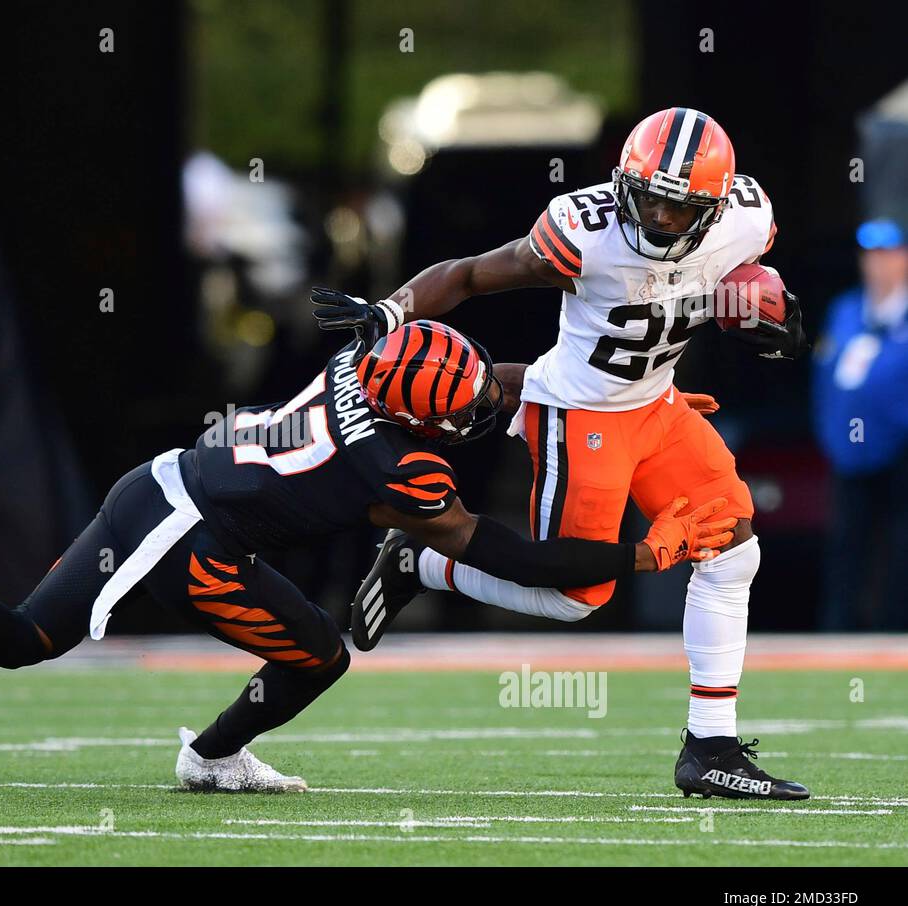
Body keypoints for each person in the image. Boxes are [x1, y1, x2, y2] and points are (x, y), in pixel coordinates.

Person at [0, 320, 732, 793]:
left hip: (169, 483)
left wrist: (623, 404)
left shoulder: (360, 361)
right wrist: (647, 554)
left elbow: (461, 371)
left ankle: (209, 756)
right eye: (453, 417)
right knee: (27, 639)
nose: (472, 421)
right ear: (418, 417)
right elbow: (517, 557)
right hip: (187, 537)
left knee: (318, 649)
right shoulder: (402, 466)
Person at [318, 108, 810, 800]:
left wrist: (775, 319)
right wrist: (390, 311)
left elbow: (766, 299)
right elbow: (464, 275)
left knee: (733, 545)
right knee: (579, 598)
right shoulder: (583, 235)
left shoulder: (744, 220)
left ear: (715, 206)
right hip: (581, 415)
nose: (661, 219)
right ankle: (423, 562)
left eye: (680, 207)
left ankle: (711, 745)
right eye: (650, 200)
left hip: (659, 405)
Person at [812, 219, 908, 631]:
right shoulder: (846, 310)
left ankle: (894, 629)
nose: (879, 265)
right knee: (847, 544)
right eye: (871, 256)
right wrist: (831, 434)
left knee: (900, 547)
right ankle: (840, 631)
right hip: (850, 454)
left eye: (888, 255)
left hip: (901, 454)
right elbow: (824, 379)